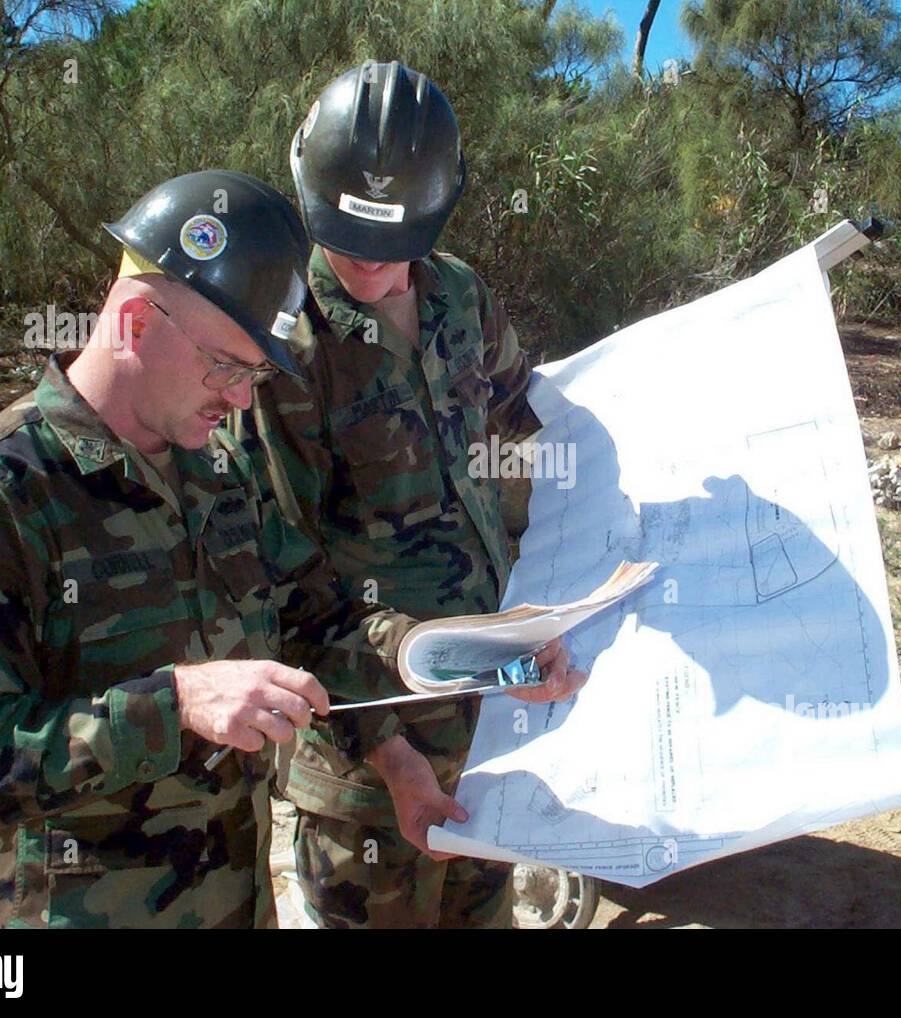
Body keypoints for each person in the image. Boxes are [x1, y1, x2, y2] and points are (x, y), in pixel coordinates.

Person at [0, 170, 410, 929]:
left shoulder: (222, 472)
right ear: (136, 323)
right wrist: (174, 705)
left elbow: (316, 621)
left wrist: (469, 659)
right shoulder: (0, 493)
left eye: (257, 374)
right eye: (229, 366)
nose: (242, 399)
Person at [238, 60, 585, 929]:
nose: (369, 265)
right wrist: (390, 757)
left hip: (495, 721)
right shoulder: (284, 348)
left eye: (395, 245)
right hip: (366, 758)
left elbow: (525, 425)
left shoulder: (460, 296)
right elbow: (286, 581)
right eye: (347, 237)